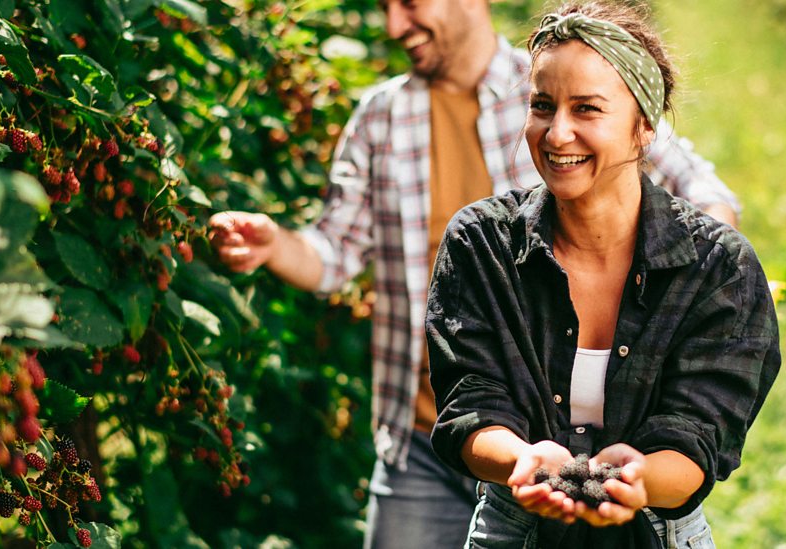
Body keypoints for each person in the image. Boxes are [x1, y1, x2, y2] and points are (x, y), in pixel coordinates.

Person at [209, 1, 743, 547]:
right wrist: (276, 245)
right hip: (428, 432)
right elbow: (336, 253)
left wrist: (689, 284)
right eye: (542, 108)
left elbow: (704, 195)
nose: (394, 25)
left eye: (409, 3)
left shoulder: (569, 68)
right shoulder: (383, 117)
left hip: (579, 456)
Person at [424, 2, 781, 547]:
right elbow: (471, 403)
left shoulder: (719, 267)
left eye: (586, 109)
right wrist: (523, 461)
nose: (557, 134)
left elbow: (699, 434)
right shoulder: (481, 244)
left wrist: (638, 479)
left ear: (644, 127)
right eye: (543, 106)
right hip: (511, 533)